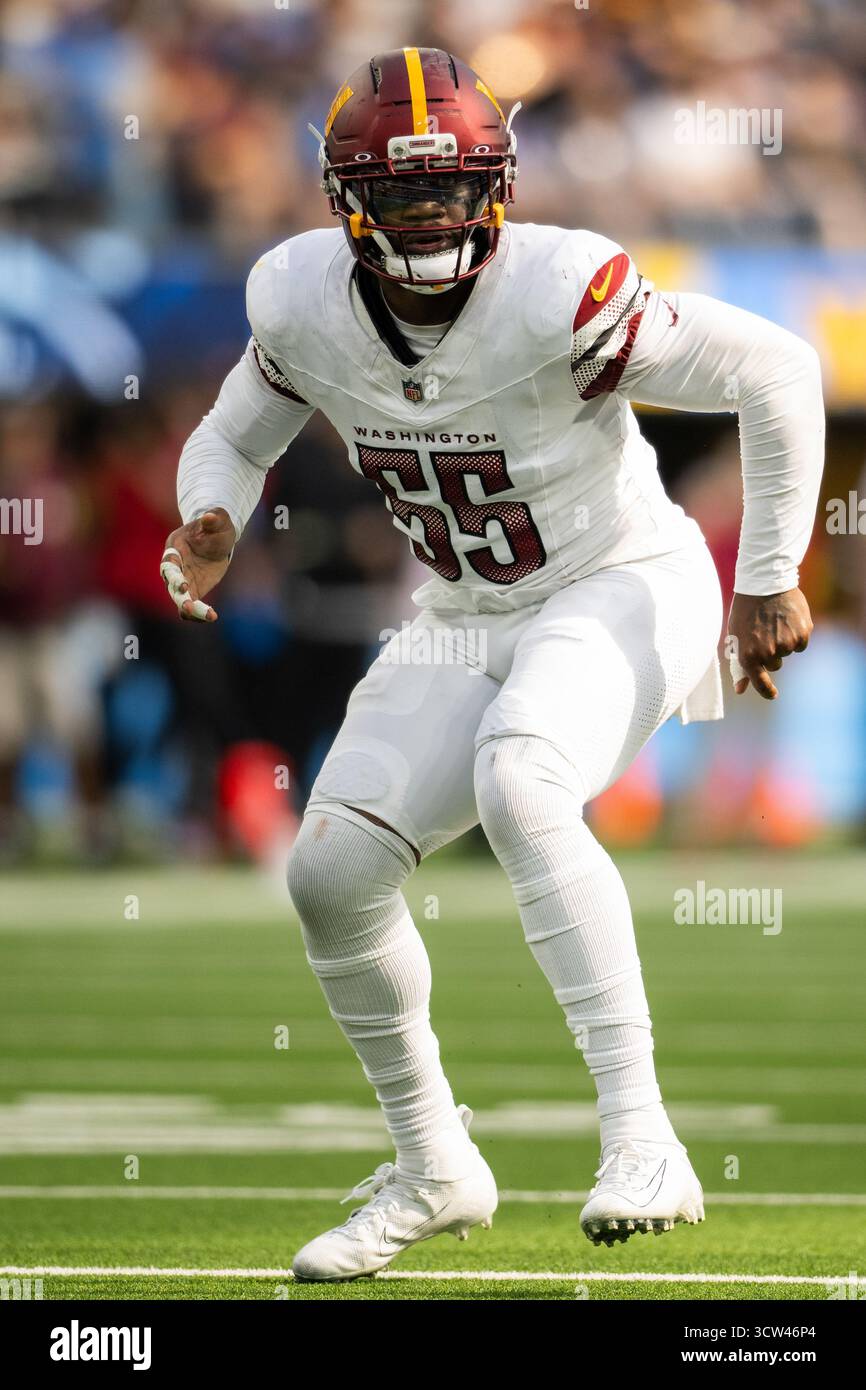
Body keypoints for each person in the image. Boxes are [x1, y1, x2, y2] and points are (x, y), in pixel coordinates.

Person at [160, 47, 823, 1282]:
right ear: (343, 200)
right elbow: (232, 434)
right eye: (400, 194)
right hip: (468, 605)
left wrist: (768, 573)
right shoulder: (299, 300)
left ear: (498, 186)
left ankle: (642, 1135)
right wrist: (210, 516)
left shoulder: (561, 291)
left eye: (452, 188)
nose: (430, 216)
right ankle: (431, 1164)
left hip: (622, 576)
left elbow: (775, 371)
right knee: (330, 867)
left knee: (526, 781)